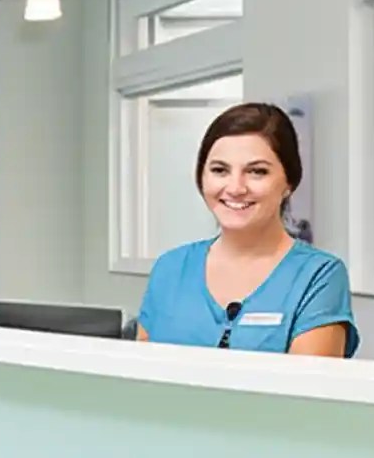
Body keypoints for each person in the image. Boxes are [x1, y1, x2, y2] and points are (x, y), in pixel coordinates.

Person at [136, 102, 359, 358]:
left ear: (289, 182)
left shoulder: (318, 277)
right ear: (201, 178)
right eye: (220, 170)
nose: (235, 188)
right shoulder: (170, 268)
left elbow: (307, 393)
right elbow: (138, 376)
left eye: (256, 172)